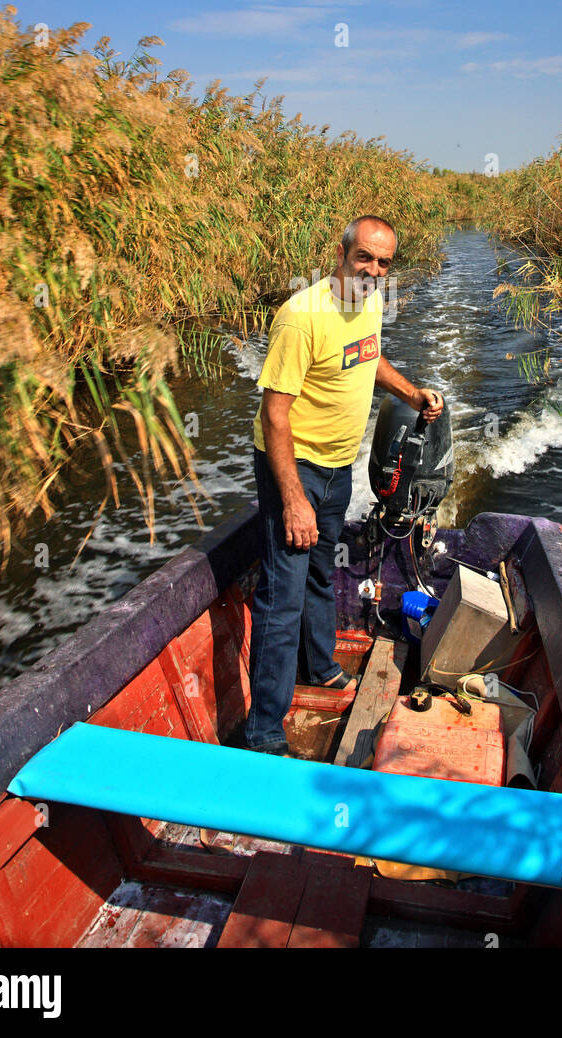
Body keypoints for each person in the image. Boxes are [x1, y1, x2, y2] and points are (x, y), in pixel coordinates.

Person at [244, 215, 444, 754]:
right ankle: (264, 734)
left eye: (383, 263)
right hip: (295, 468)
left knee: (317, 573)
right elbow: (275, 415)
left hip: (338, 467)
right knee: (280, 598)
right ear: (341, 254)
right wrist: (292, 501)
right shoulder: (301, 318)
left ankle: (322, 669)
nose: (374, 271)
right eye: (364, 258)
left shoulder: (370, 302)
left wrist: (410, 393)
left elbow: (368, 358)